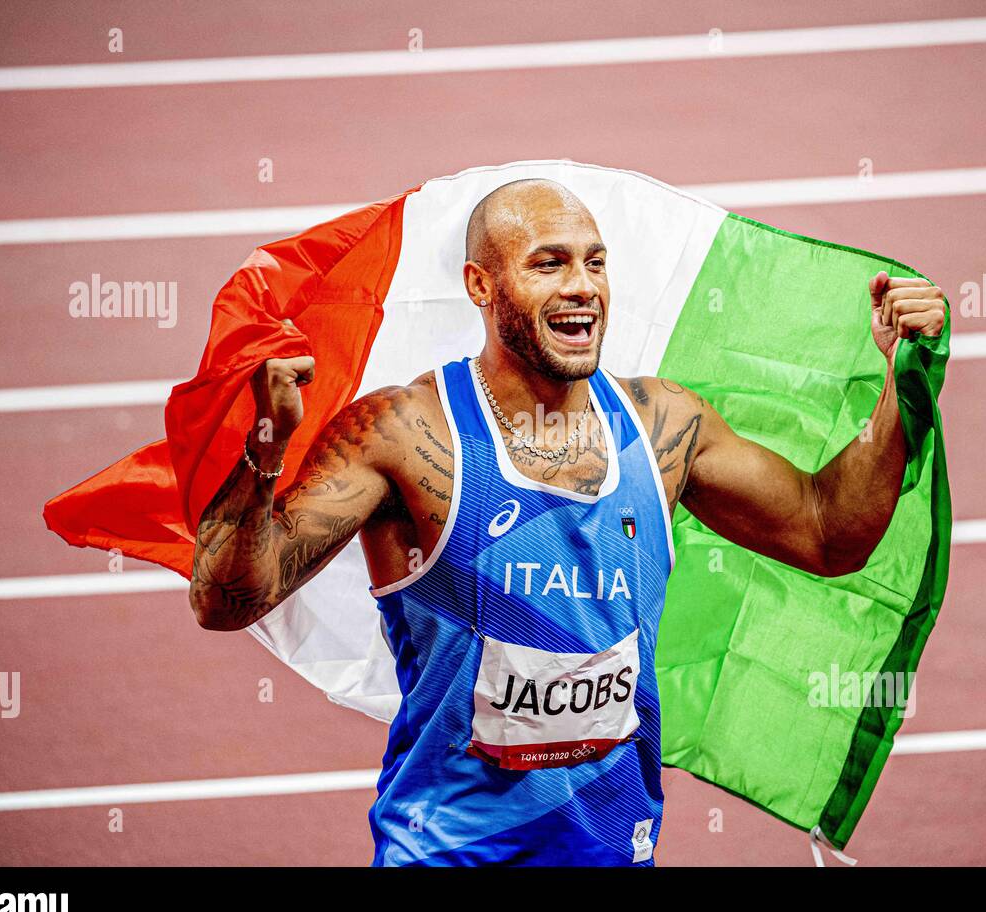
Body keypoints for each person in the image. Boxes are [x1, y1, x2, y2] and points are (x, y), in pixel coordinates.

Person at [188, 178, 946, 865]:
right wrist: (266, 450)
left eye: (595, 262)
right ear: (481, 286)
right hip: (449, 857)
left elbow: (826, 531)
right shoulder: (404, 434)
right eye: (548, 264)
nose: (582, 287)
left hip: (613, 853)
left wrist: (898, 382)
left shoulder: (662, 427)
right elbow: (226, 601)